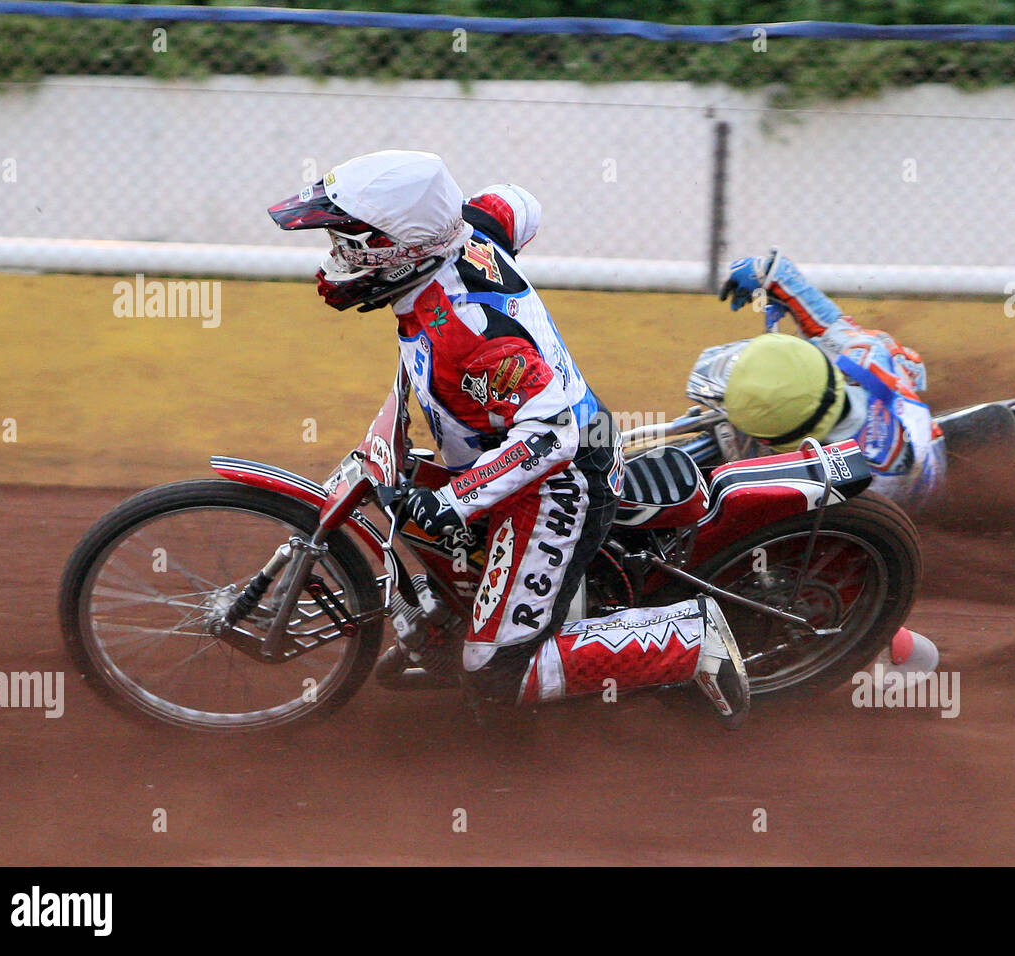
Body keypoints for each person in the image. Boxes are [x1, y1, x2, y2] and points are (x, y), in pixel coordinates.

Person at [268, 149, 749, 726]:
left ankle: (690, 638)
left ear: (401, 251)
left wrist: (454, 500)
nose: (338, 258)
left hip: (559, 479)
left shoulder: (468, 335)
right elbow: (519, 203)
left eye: (352, 244)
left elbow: (556, 432)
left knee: (493, 673)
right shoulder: (472, 227)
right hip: (524, 431)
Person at [715, 249, 947, 514]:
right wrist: (766, 273)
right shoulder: (860, 354)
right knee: (861, 342)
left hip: (897, 501)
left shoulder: (844, 478)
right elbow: (827, 323)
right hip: (910, 422)